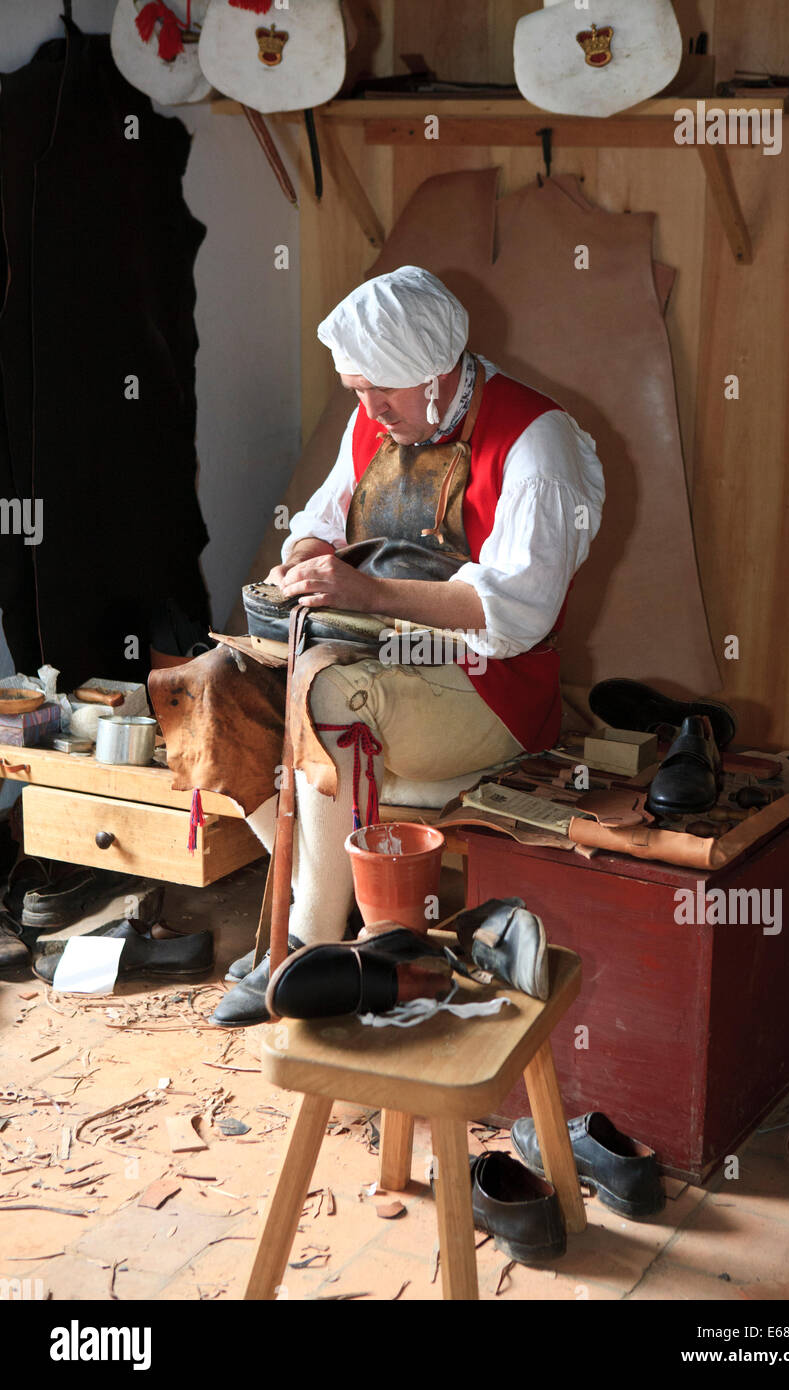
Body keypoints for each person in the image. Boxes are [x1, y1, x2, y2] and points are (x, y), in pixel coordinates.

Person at [154, 266, 604, 1025]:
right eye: (356, 390)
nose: (366, 410)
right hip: (375, 657)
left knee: (327, 689)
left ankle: (305, 944)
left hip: (487, 687)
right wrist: (303, 554)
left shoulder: (537, 444)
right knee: (203, 685)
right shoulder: (382, 415)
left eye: (379, 393)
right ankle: (305, 907)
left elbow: (518, 617)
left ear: (436, 373)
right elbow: (323, 513)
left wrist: (366, 593)